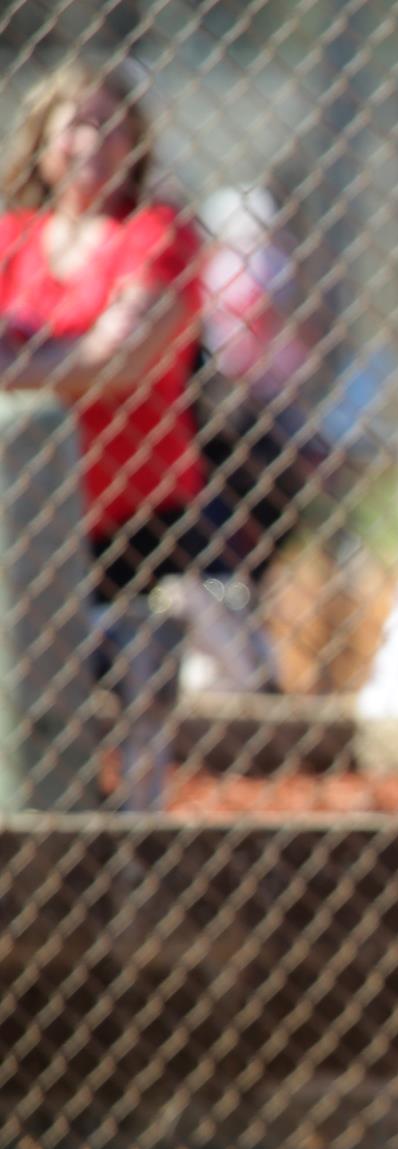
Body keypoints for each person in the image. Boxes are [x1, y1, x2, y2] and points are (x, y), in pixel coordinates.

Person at [0, 57, 219, 806]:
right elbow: (88, 353)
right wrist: (68, 356)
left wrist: (20, 355)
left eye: (110, 122)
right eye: (76, 123)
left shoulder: (156, 232)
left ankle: (133, 839)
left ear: (136, 140)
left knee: (132, 680)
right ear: (41, 141)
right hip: (20, 515)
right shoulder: (13, 239)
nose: (92, 140)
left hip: (132, 511)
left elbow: (123, 358)